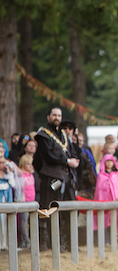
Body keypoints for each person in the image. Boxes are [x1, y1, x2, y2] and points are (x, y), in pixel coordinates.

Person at [34, 107, 80, 252]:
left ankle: (67, 243)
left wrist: (75, 160)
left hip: (67, 178)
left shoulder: (65, 136)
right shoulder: (43, 135)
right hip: (51, 178)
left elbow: (72, 152)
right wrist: (67, 161)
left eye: (59, 115)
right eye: (54, 115)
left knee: (69, 210)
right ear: (48, 117)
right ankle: (49, 244)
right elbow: (49, 156)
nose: (57, 118)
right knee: (50, 210)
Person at [94, 154, 118, 237]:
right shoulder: (101, 176)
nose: (109, 163)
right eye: (107, 161)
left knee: (114, 220)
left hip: (115, 201)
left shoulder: (115, 175)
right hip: (105, 202)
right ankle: (104, 239)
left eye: (111, 161)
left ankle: (113, 239)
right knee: (104, 220)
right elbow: (99, 190)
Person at [18, 155, 37, 250]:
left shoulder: (31, 174)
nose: (30, 165)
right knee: (23, 222)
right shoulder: (21, 174)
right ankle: (26, 241)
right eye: (28, 163)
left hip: (32, 201)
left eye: (31, 163)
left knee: (31, 222)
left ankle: (32, 240)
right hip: (24, 201)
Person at [0, 155, 16, 251]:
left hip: (6, 200)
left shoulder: (8, 174)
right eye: (1, 163)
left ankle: (4, 243)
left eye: (4, 163)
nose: (3, 165)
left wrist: (9, 174)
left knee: (5, 222)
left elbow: (13, 184)